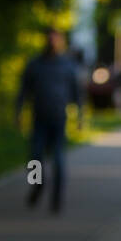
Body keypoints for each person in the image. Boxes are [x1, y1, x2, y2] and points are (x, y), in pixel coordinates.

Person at [15, 28, 83, 212]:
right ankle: (36, 186)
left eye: (56, 39)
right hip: (39, 119)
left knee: (58, 160)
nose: (52, 42)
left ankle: (57, 198)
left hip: (58, 119)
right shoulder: (36, 64)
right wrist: (19, 112)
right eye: (50, 38)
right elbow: (24, 90)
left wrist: (80, 116)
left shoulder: (67, 65)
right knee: (35, 158)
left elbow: (77, 93)